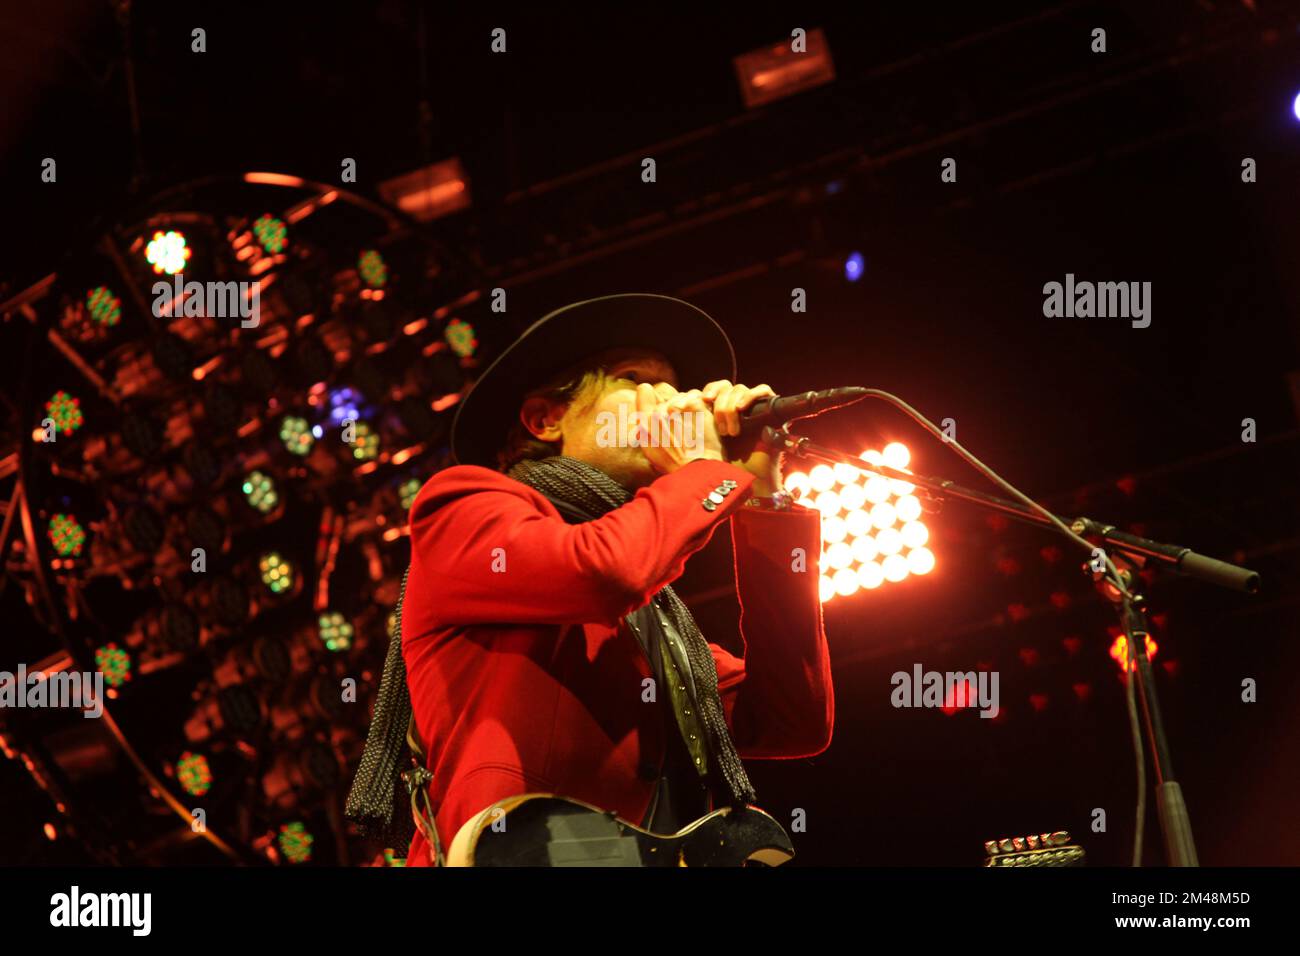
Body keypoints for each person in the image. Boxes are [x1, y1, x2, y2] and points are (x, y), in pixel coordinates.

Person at [347, 293, 833, 866]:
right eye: (635, 380)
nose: (671, 402)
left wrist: (766, 500)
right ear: (545, 420)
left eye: (675, 387)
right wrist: (704, 473)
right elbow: (603, 570)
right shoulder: (463, 503)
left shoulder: (659, 622)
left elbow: (790, 720)